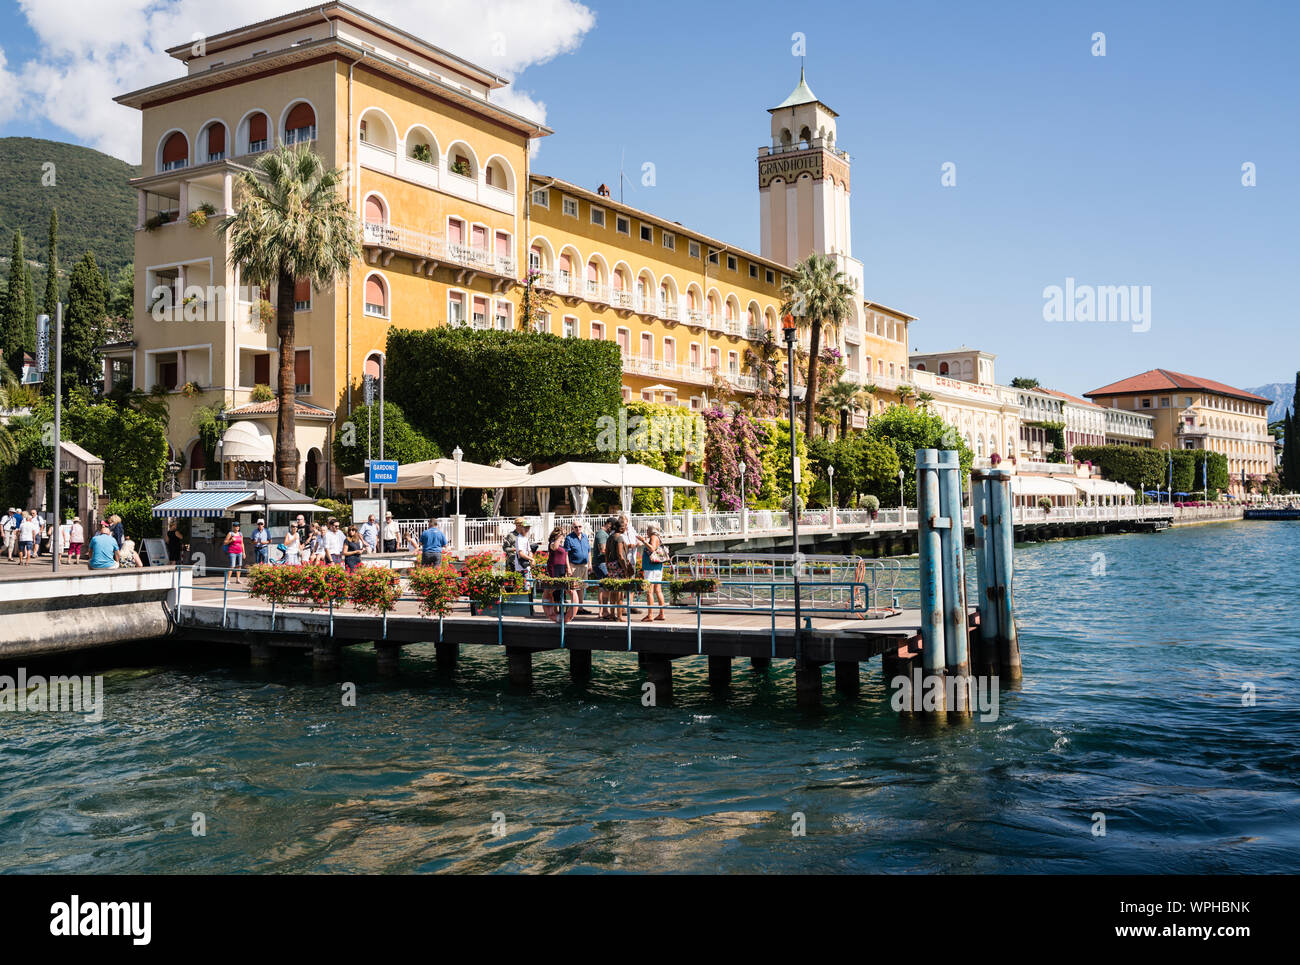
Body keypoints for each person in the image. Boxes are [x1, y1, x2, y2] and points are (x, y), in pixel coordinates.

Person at [637, 523, 667, 621]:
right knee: (658, 590)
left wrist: (643, 541)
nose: (646, 531)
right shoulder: (657, 537)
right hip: (657, 567)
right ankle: (661, 613)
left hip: (651, 568)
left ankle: (650, 615)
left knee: (649, 591)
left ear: (652, 530)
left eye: (648, 530)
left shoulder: (653, 537)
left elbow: (652, 548)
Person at [563, 519, 594, 615]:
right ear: (572, 528)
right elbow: (566, 554)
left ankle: (580, 608)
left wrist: (590, 564)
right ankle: (574, 608)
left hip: (584, 565)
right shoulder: (569, 538)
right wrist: (568, 567)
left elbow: (588, 551)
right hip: (574, 566)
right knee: (574, 588)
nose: (578, 528)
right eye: (575, 527)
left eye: (579, 526)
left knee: (582, 588)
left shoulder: (585, 536)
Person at [542, 526, 572, 622]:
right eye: (561, 534)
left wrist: (568, 568)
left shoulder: (562, 545)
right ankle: (554, 611)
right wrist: (559, 538)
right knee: (555, 589)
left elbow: (565, 555)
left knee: (561, 590)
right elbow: (554, 548)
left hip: (562, 567)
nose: (563, 536)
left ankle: (561, 610)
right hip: (554, 567)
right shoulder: (552, 543)